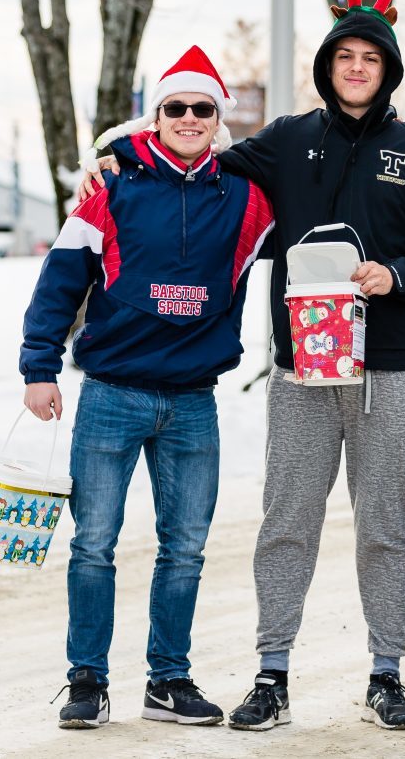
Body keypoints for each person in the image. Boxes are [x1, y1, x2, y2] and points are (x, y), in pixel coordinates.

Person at [79, 0, 405, 731]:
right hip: (300, 370)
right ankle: (272, 672)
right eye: (343, 57)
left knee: (387, 527)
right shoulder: (290, 139)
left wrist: (399, 275)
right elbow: (194, 151)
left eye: (370, 58)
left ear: (388, 69)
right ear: (327, 65)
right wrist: (115, 155)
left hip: (388, 369)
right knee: (286, 521)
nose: (355, 68)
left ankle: (386, 673)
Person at [20, 46, 274, 730]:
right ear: (154, 117)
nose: (189, 118)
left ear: (218, 120)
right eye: (175, 107)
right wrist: (38, 367)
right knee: (93, 541)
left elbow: (319, 203)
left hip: (194, 400)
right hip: (111, 392)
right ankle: (86, 679)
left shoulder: (249, 200)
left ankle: (169, 679)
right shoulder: (111, 189)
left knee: (185, 546)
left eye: (202, 108)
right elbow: (60, 281)